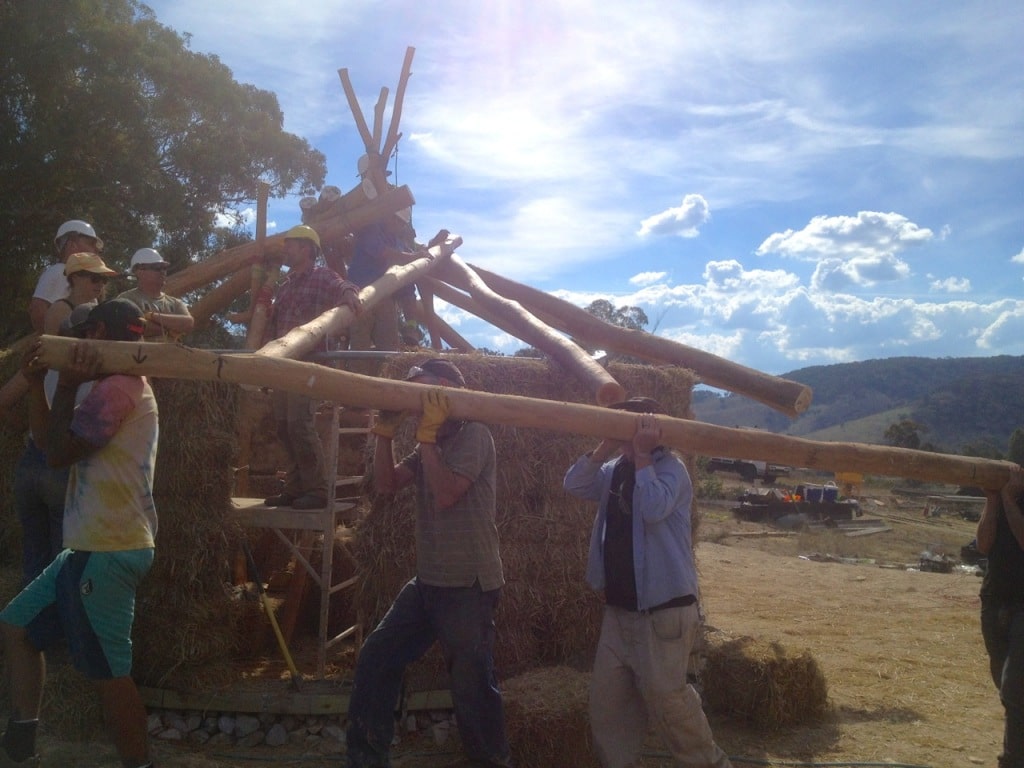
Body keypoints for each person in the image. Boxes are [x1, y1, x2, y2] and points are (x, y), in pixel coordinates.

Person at [1, 298, 159, 768]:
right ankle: (22, 738)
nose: (78, 344)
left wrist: (65, 384)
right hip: (88, 545)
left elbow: (56, 454)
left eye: (84, 335)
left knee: (110, 675)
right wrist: (36, 386)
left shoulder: (118, 388)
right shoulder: (115, 386)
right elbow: (46, 439)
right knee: (18, 627)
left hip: (108, 549)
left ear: (98, 337)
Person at [346, 358, 512, 768]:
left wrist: (425, 438)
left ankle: (493, 762)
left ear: (443, 391)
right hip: (429, 582)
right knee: (376, 657)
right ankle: (366, 760)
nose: (416, 401)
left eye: (421, 391)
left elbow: (446, 494)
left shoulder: (475, 435)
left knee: (471, 687)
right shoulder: (431, 442)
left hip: (468, 585)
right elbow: (386, 485)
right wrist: (384, 435)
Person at [563, 397, 732, 768]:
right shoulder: (613, 468)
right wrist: (606, 443)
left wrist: (641, 455)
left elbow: (653, 508)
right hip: (620, 610)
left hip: (663, 612)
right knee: (608, 707)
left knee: (669, 703)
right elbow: (574, 484)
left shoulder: (672, 470)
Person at [262, 224, 361, 510]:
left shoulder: (321, 277)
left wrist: (350, 295)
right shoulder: (286, 286)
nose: (286, 249)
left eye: (291, 245)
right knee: (283, 427)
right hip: (282, 363)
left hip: (308, 363)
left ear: (306, 248)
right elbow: (275, 327)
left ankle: (318, 490)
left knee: (299, 425)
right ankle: (294, 488)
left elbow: (344, 285)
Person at [977, 464, 1024, 768]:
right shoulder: (1003, 497)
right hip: (994, 600)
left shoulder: (1016, 499)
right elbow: (983, 544)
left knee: (1014, 687)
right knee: (1003, 681)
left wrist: (1007, 498)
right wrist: (993, 501)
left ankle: (1012, 759)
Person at [347, 210, 426, 354]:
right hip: (361, 296)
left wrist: (420, 253)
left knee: (389, 350)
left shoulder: (396, 241)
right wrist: (413, 257)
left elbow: (406, 260)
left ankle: (411, 328)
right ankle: (358, 374)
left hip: (385, 298)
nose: (397, 225)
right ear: (388, 216)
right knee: (360, 349)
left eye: (401, 223)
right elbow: (382, 252)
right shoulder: (371, 230)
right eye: (396, 220)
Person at [28, 220, 104, 333]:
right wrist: (49, 340)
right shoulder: (58, 271)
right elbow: (37, 309)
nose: (96, 249)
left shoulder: (76, 274)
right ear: (72, 244)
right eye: (91, 243)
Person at [117, 248, 194, 342]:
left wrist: (152, 316)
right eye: (157, 268)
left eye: (164, 268)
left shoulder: (175, 303)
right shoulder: (126, 299)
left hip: (172, 356)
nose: (162, 272)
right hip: (140, 355)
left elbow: (188, 324)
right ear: (139, 271)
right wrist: (172, 328)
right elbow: (132, 327)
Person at [42, 252, 117, 335]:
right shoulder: (60, 310)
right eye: (95, 278)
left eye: (104, 279)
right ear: (75, 278)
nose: (101, 284)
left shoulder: (95, 305)